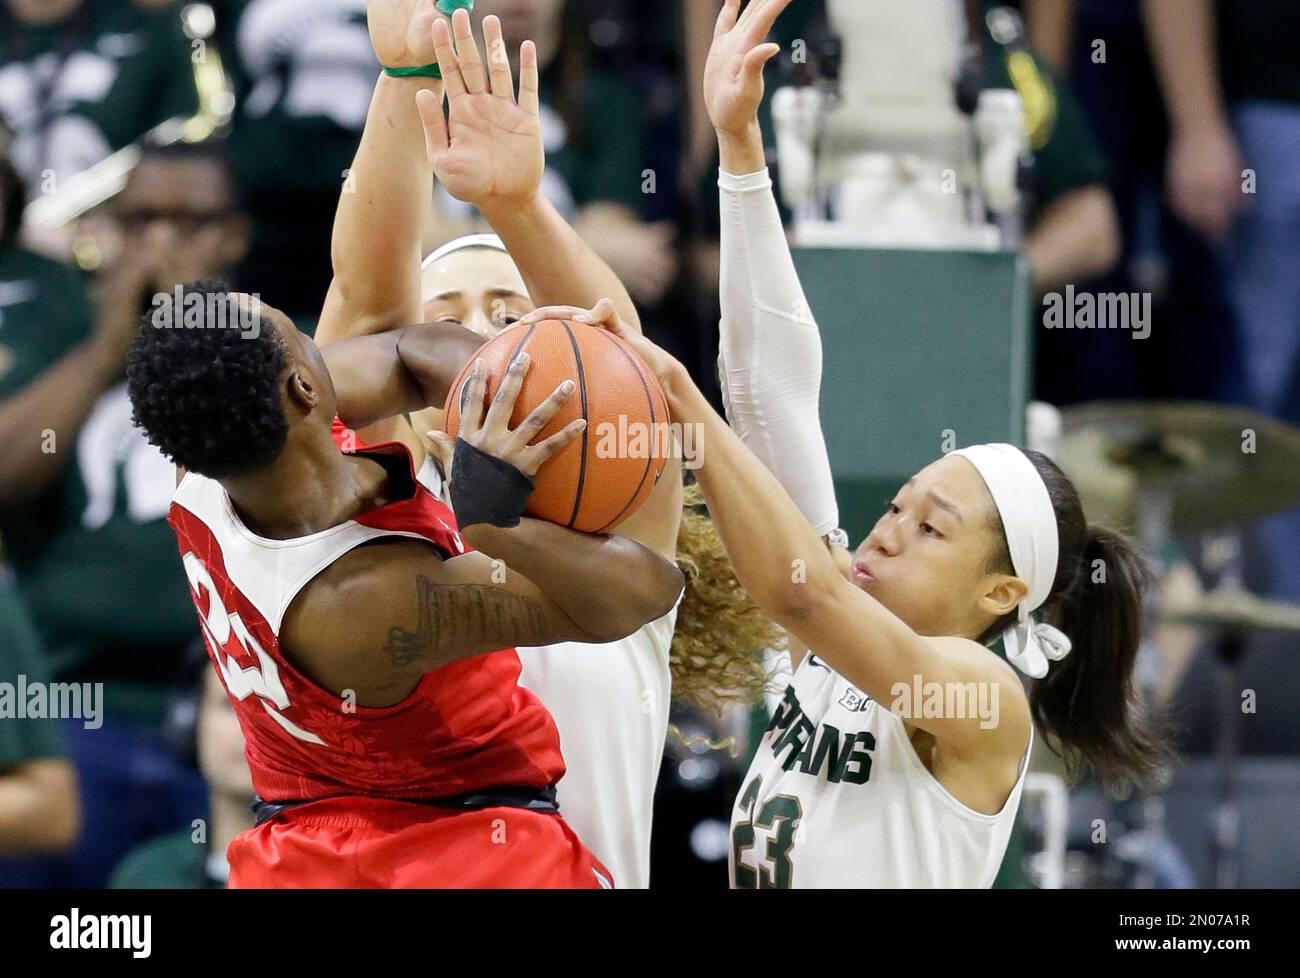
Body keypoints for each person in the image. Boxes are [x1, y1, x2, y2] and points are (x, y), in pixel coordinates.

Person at [527, 0, 1172, 888]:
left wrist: (683, 407)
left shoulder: (982, 701)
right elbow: (769, 399)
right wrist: (742, 155)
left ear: (1005, 589)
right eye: (900, 504)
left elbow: (803, 594)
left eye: (931, 528)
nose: (887, 528)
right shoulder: (832, 656)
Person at [317, 2, 776, 888]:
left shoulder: (622, 508)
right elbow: (366, 305)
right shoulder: (384, 500)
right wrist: (404, 81)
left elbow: (616, 342)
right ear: (401, 390)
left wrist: (518, 201)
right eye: (446, 324)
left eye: (511, 317)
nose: (487, 344)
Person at [0, 140, 249, 888]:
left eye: (191, 222)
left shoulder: (274, 346)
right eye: (142, 220)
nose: (164, 244)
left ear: (235, 236)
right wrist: (113, 345)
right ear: (108, 229)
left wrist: (198, 338)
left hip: (236, 716)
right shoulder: (56, 338)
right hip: (73, 716)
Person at [109, 668, 254, 889]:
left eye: (273, 710)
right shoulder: (147, 874)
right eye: (229, 705)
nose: (249, 729)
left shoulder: (322, 872)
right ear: (190, 722)